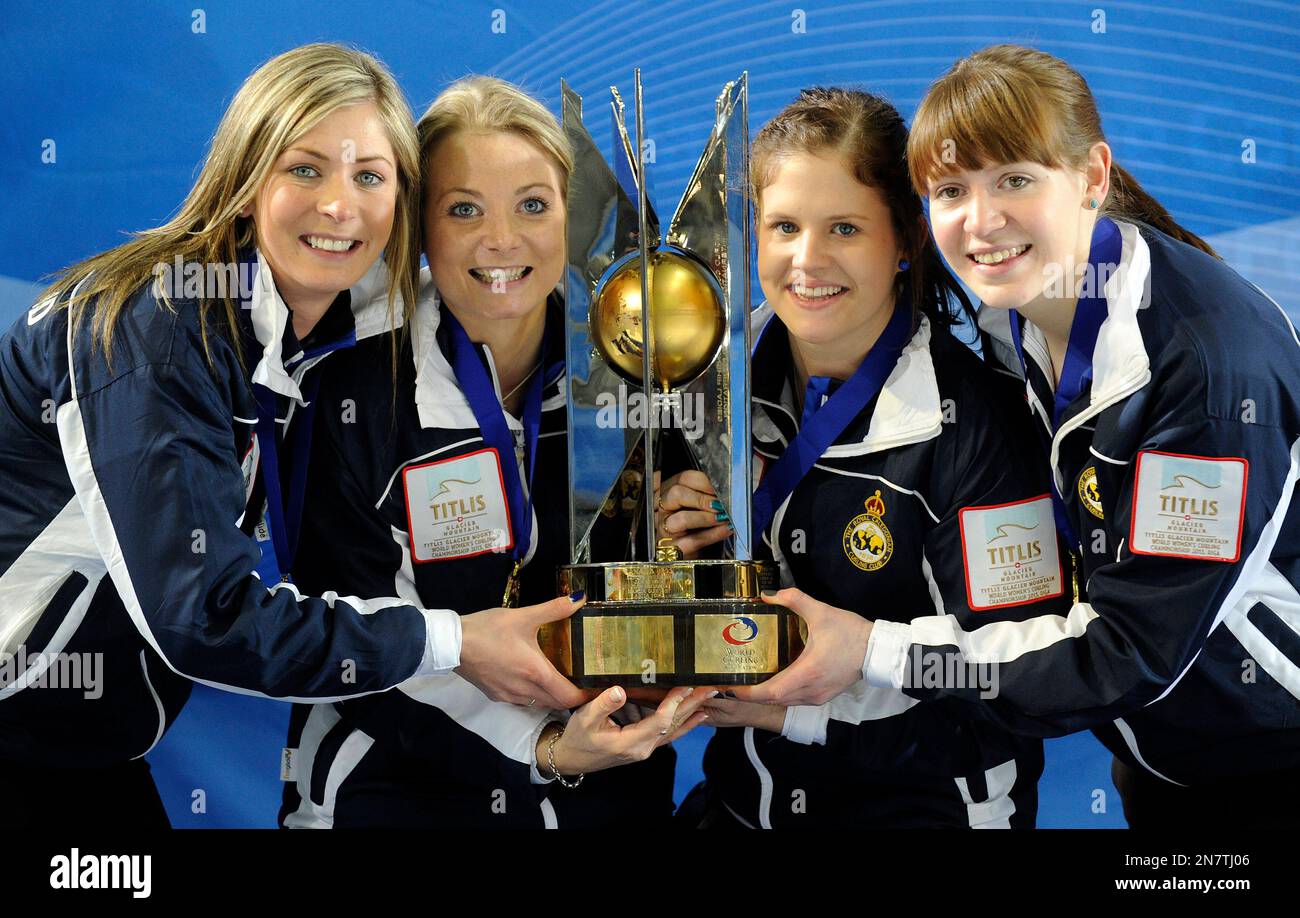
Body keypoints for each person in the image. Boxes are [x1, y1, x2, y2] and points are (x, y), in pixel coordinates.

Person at [0, 44, 585, 828]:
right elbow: (204, 618)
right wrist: (454, 642)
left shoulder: (302, 315)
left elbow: (474, 279)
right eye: (306, 169)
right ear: (244, 182)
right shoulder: (154, 329)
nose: (340, 206)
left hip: (77, 743)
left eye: (370, 177)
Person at [735, 45, 1300, 828]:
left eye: (1016, 181)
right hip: (1160, 755)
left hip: (1268, 756)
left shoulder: (1208, 376)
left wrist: (872, 650)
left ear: (1093, 178)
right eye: (952, 190)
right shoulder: (1017, 298)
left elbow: (1126, 657)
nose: (982, 220)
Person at [279, 76, 708, 829]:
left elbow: (677, 578)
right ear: (419, 225)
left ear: (572, 221)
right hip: (392, 783)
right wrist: (539, 745)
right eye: (464, 209)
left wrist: (701, 532)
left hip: (606, 782)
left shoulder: (637, 360)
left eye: (533, 206)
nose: (502, 240)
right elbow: (348, 635)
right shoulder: (346, 386)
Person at [660, 87, 1071, 828]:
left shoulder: (976, 427)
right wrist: (668, 543)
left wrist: (800, 713)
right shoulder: (712, 379)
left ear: (906, 239)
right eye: (784, 226)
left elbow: (1017, 683)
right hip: (744, 799)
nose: (807, 260)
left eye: (844, 228)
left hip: (926, 805)